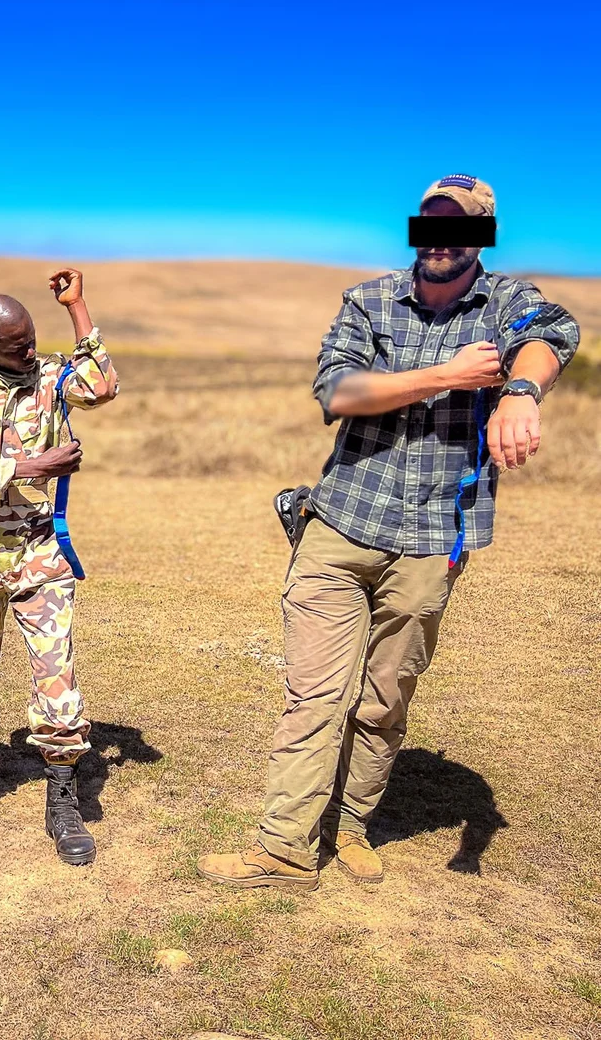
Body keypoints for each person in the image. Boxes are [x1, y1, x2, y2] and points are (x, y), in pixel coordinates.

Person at [198, 175, 580, 890]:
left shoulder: (506, 303)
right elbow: (338, 391)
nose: (441, 237)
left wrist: (521, 392)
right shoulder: (369, 301)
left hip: (436, 536)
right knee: (313, 692)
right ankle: (282, 849)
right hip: (341, 525)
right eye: (431, 221)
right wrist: (450, 374)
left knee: (385, 696)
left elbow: (553, 333)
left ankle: (350, 825)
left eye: (459, 226)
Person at [0, 269, 120, 865]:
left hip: (42, 550)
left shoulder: (51, 374)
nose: (29, 352)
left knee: (56, 676)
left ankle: (61, 793)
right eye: (16, 346)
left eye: (32, 339)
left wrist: (78, 309)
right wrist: (35, 464)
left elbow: (104, 385)